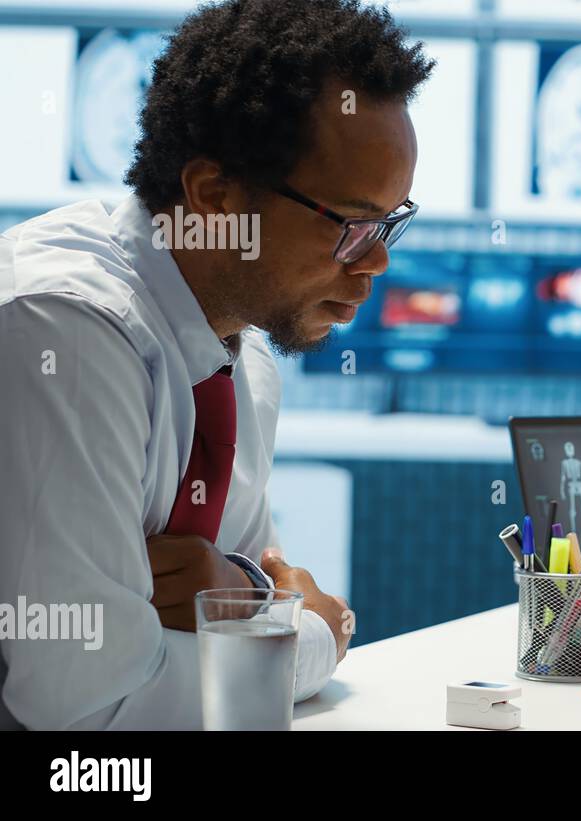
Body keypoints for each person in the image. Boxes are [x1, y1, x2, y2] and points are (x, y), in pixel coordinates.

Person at [0, 0, 434, 729]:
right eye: (352, 225)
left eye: (390, 222)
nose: (379, 262)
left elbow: (237, 604)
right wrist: (312, 636)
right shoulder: (65, 328)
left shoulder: (243, 352)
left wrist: (246, 596)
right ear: (212, 196)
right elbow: (94, 705)